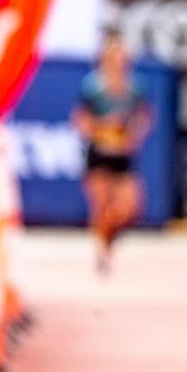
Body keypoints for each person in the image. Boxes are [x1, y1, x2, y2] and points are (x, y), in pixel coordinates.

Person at [72, 28, 151, 274]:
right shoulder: (93, 87)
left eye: (123, 58)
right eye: (115, 57)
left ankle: (111, 235)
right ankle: (103, 251)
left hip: (122, 156)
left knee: (130, 207)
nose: (119, 62)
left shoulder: (135, 87)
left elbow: (144, 116)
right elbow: (80, 119)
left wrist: (133, 136)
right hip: (99, 155)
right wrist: (99, 131)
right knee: (102, 206)